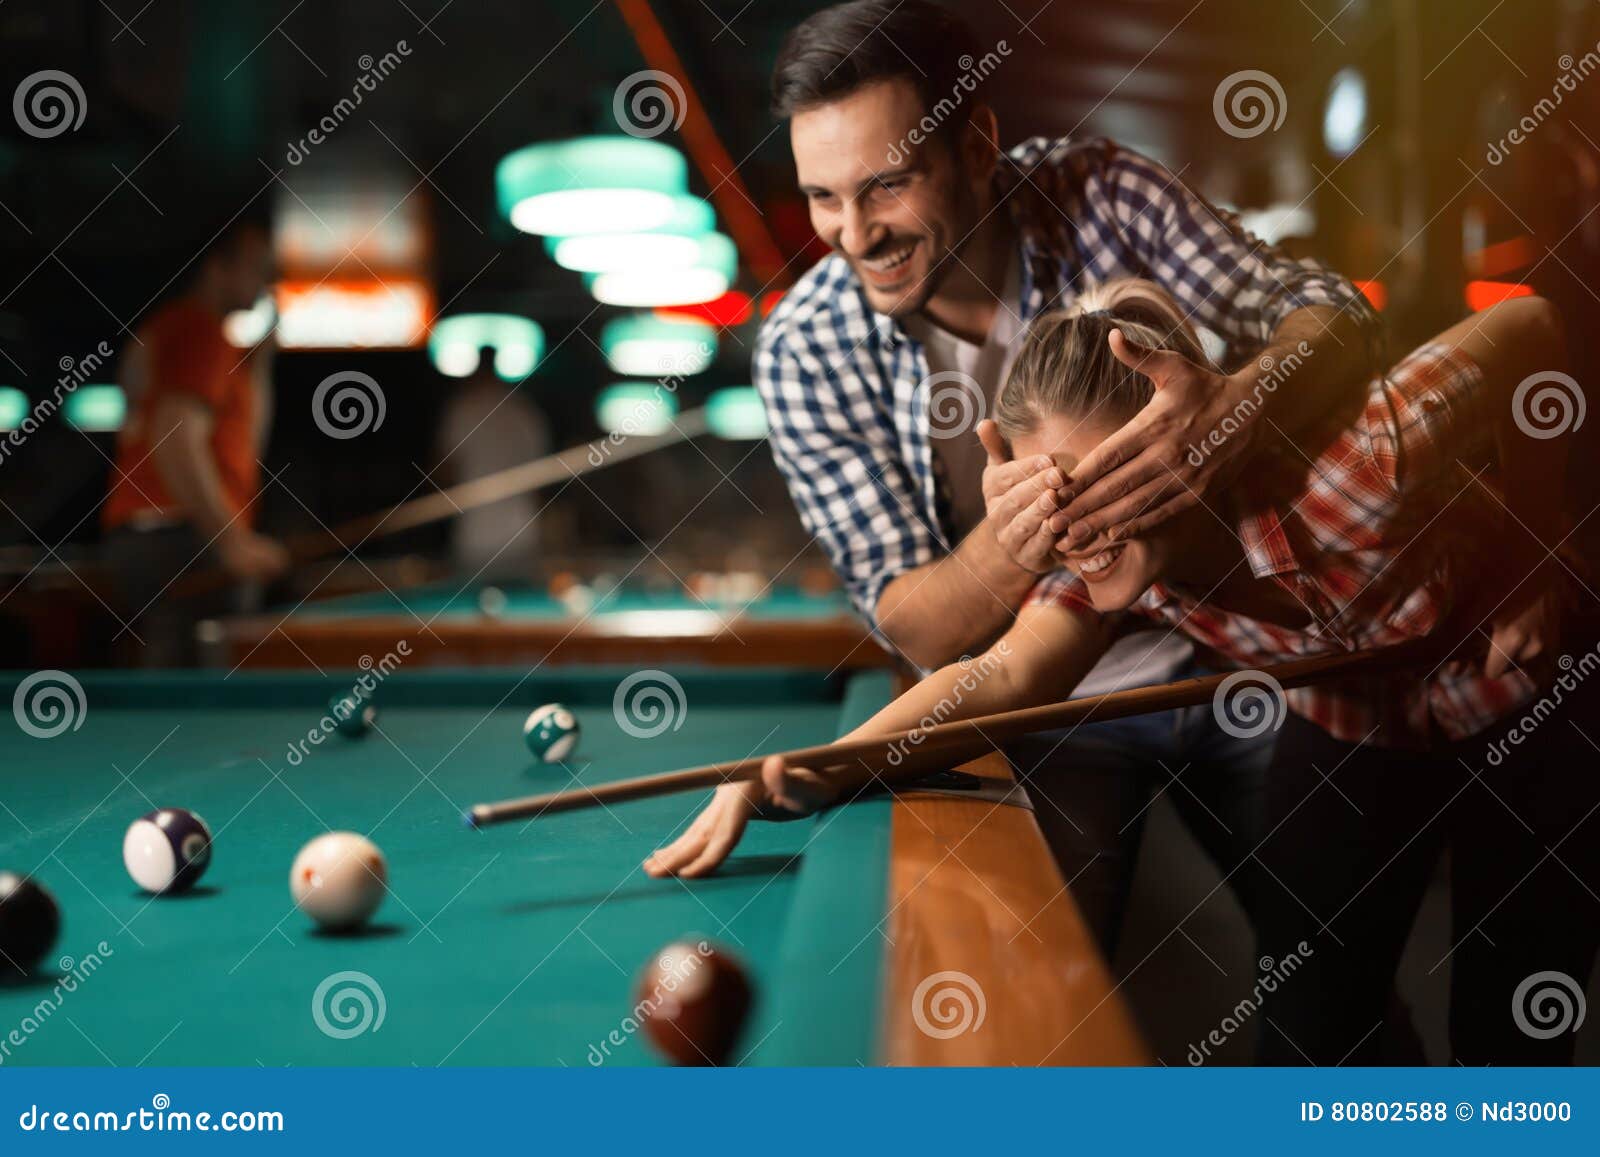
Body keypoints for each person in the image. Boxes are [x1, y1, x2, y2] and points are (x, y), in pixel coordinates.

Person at [652, 277, 1595, 1065]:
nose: (1076, 529)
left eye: (1105, 483)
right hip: (1354, 721)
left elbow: (1532, 326)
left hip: (1537, 708)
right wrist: (819, 767)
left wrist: (1545, 547)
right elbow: (1005, 678)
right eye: (1051, 499)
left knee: (1514, 1029)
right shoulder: (1110, 573)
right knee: (1311, 1033)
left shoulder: (1361, 461)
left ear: (1180, 445)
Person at [645, 0, 1382, 959]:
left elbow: (1329, 315)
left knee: (1339, 981)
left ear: (978, 142)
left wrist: (1230, 410)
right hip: (1037, 698)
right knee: (1034, 1000)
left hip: (1240, 651)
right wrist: (1011, 540)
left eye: (889, 185)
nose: (854, 233)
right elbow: (913, 621)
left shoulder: (1103, 194)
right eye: (824, 197)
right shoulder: (802, 346)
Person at [103, 210, 287, 664]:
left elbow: (234, 445)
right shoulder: (201, 331)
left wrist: (260, 368)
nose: (267, 279)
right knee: (209, 686)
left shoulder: (170, 330)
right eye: (256, 266)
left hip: (148, 536)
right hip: (180, 538)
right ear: (216, 267)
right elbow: (175, 434)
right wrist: (229, 540)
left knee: (176, 685)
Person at [433, 347, 551, 581]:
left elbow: (444, 474)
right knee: (519, 613)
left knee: (469, 613)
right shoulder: (525, 411)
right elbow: (541, 483)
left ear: (477, 368)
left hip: (475, 537)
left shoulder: (463, 409)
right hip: (521, 535)